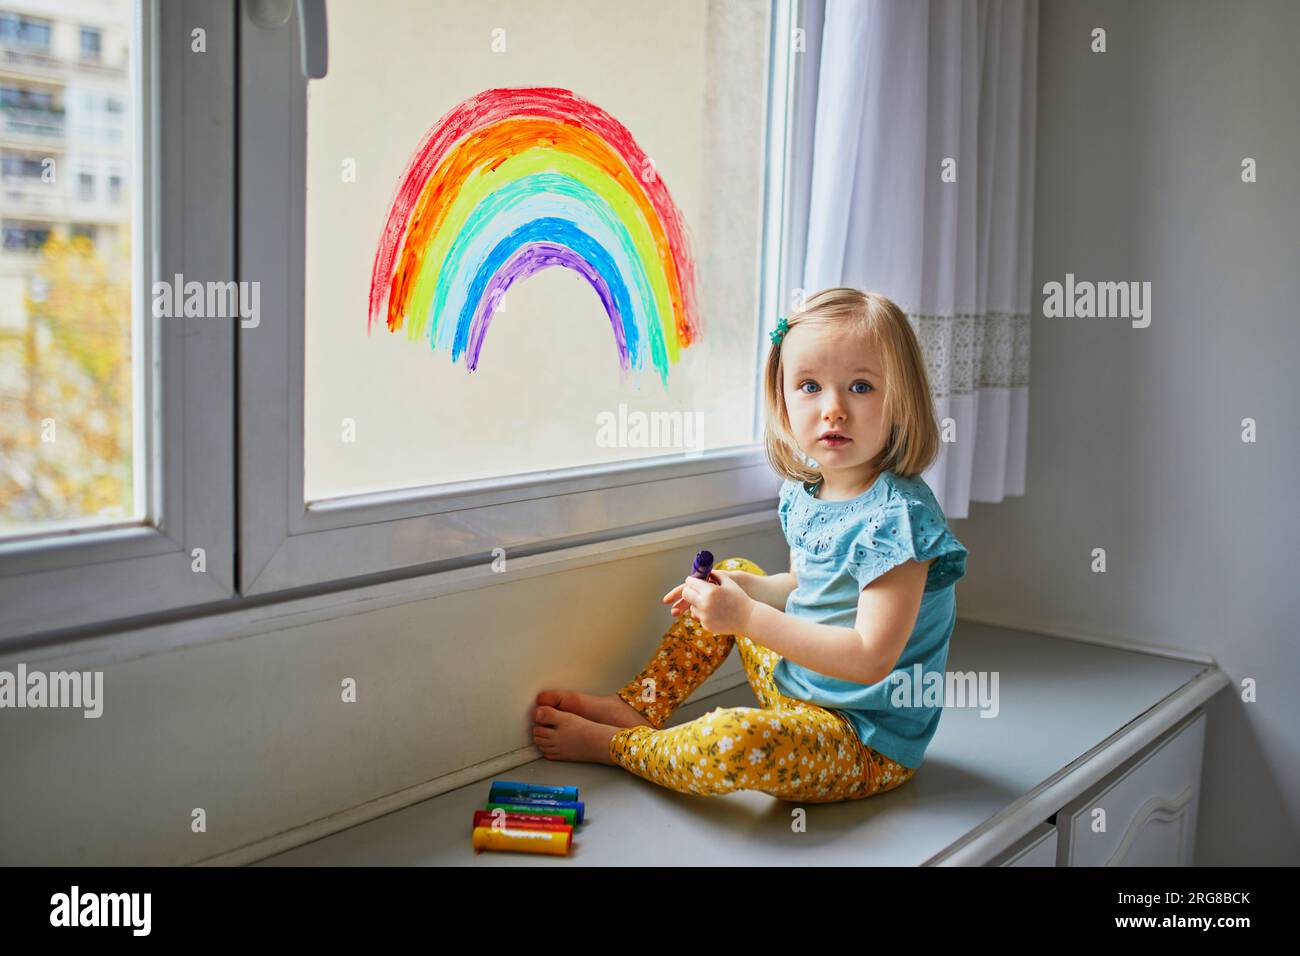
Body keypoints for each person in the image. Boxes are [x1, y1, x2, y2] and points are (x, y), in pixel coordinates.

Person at [533, 287, 968, 802]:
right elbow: (808, 590)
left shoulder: (899, 518)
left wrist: (746, 617)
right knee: (730, 573)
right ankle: (640, 706)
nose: (833, 409)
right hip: (795, 689)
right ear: (782, 398)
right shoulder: (807, 494)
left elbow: (868, 656)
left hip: (862, 741)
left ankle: (620, 746)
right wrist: (746, 590)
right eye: (809, 385)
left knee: (732, 742)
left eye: (860, 386)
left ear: (902, 399)